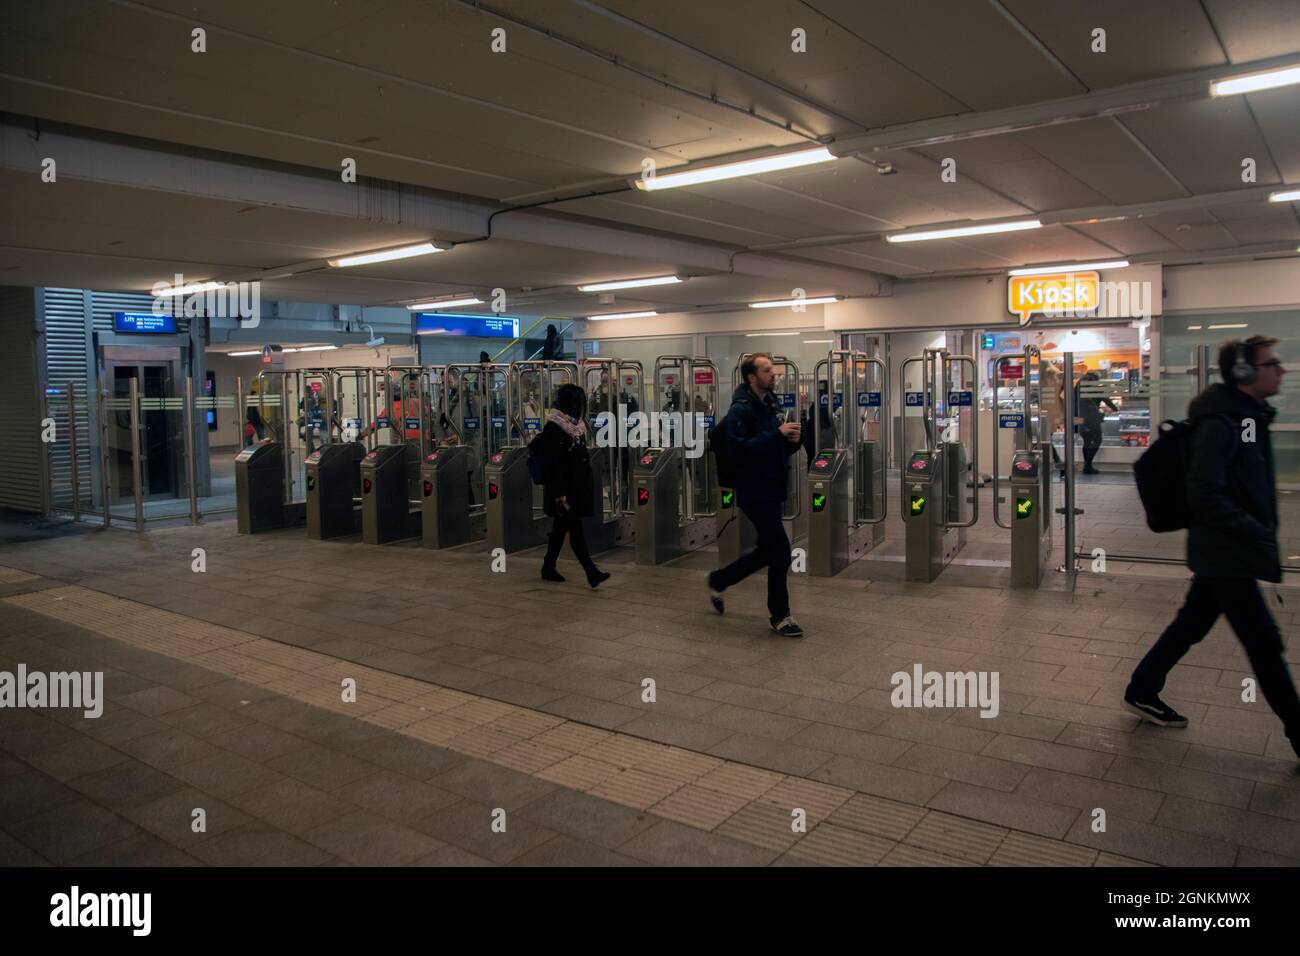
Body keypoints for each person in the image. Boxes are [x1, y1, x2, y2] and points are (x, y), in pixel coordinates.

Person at [1124, 336, 1299, 764]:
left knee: (1192, 623)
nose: (1282, 370)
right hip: (1227, 552)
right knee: (1264, 642)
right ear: (1243, 372)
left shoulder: (1246, 417)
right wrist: (1255, 531)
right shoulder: (1222, 422)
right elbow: (1205, 493)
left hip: (1225, 550)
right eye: (1272, 363)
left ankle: (1143, 689)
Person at [707, 354, 804, 637]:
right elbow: (740, 451)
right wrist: (777, 435)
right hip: (754, 491)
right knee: (782, 553)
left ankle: (719, 579)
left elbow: (771, 450)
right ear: (752, 377)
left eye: (773, 370)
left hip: (773, 489)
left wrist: (792, 442)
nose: (773, 375)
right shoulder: (741, 411)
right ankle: (780, 616)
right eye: (767, 371)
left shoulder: (769, 406)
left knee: (768, 552)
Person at [535, 383, 610, 588]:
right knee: (575, 530)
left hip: (575, 488)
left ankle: (548, 567)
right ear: (571, 403)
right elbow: (553, 464)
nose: (582, 406)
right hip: (564, 492)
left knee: (560, 531)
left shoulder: (576, 427)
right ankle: (591, 572)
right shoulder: (554, 427)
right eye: (579, 402)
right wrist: (559, 494)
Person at [1074, 370, 1118, 475]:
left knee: (1087, 442)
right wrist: (1115, 409)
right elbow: (1105, 398)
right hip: (1092, 418)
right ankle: (1088, 465)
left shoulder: (1078, 386)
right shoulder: (1094, 386)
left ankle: (1087, 465)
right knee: (1097, 440)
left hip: (1080, 418)